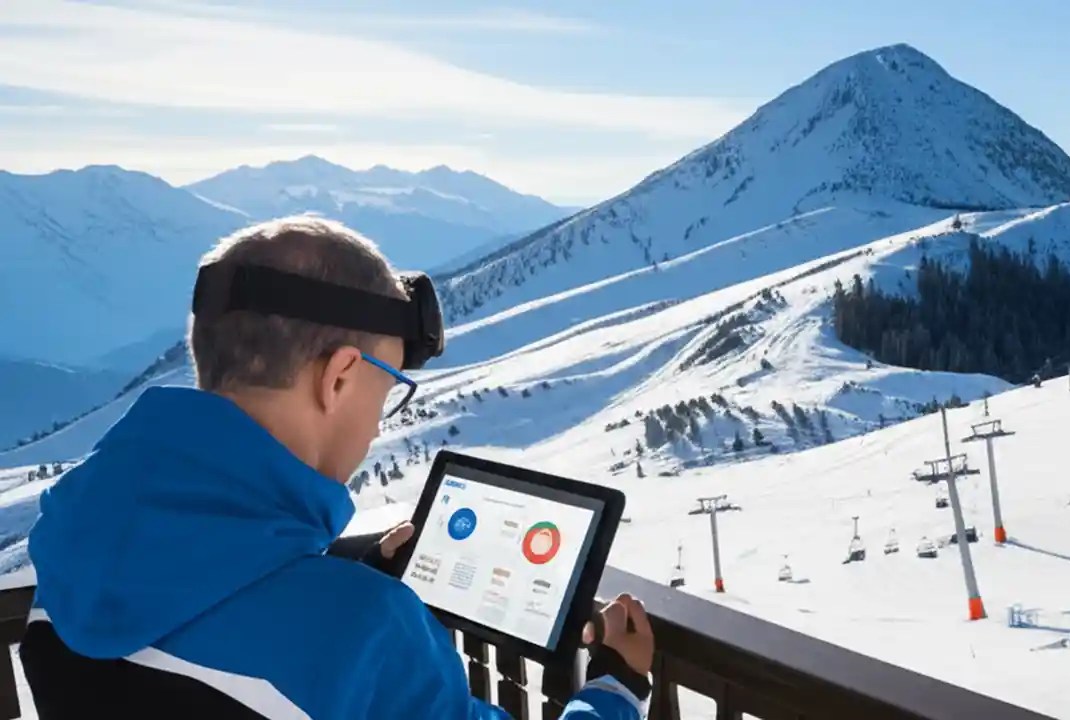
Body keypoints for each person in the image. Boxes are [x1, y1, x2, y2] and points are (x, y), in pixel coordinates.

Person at [19, 217, 653, 719]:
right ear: (341, 376)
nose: (379, 423)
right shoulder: (368, 633)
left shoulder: (74, 539)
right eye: (386, 391)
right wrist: (616, 692)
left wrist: (338, 575)